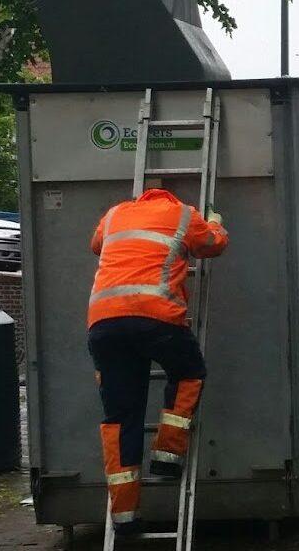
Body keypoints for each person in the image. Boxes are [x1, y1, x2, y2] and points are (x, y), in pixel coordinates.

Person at [87, 188, 228, 535]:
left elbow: (96, 245)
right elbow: (213, 245)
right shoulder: (184, 214)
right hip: (157, 318)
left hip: (104, 324)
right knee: (189, 373)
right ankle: (167, 455)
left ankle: (124, 517)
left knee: (121, 418)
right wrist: (215, 222)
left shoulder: (116, 212)